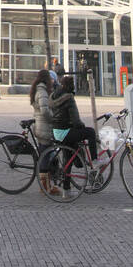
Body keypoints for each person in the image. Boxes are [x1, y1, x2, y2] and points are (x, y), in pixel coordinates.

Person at [50, 74, 98, 190]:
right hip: (65, 132)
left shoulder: (53, 96)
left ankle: (66, 186)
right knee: (90, 132)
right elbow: (76, 121)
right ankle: (96, 160)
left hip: (56, 132)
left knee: (68, 157)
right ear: (71, 87)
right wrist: (82, 127)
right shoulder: (69, 98)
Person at [30, 68, 59, 196]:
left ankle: (47, 185)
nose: (52, 81)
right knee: (45, 157)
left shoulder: (39, 89)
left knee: (47, 155)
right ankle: (44, 187)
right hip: (44, 127)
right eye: (50, 79)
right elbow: (45, 110)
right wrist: (53, 118)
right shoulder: (42, 91)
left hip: (42, 125)